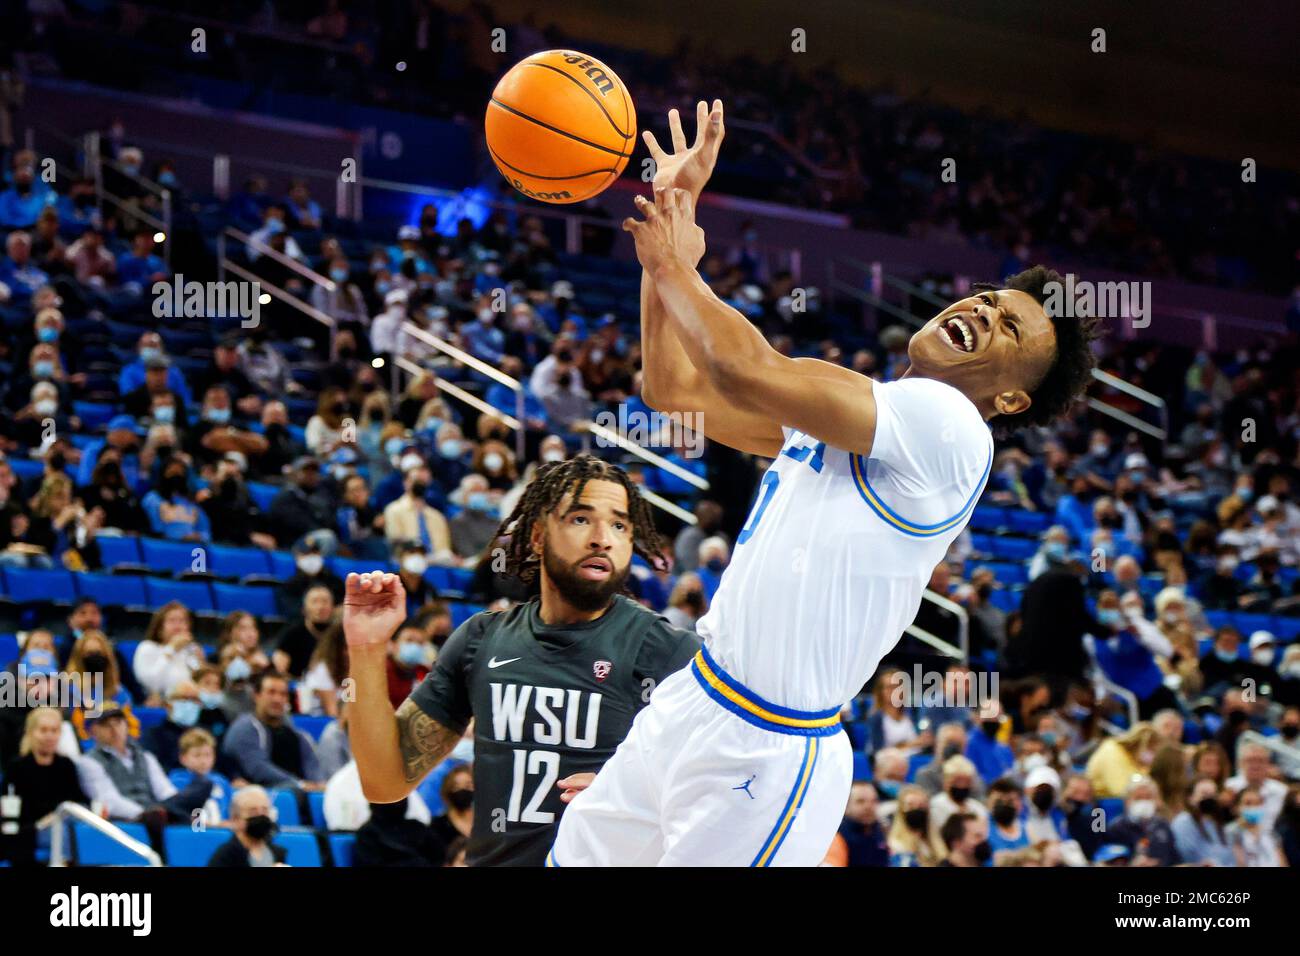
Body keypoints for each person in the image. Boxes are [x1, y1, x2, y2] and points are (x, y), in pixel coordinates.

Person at [552, 101, 1098, 866]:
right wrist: (663, 245)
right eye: (990, 299)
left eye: (1010, 329)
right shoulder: (856, 421)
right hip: (691, 700)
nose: (982, 310)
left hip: (770, 752)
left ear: (1011, 399)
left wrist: (680, 262)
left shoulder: (952, 431)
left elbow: (747, 366)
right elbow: (673, 390)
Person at [347, 455, 700, 866]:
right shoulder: (482, 640)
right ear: (536, 536)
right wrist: (367, 650)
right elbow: (384, 781)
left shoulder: (669, 651)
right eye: (581, 519)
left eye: (619, 524)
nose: (603, 538)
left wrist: (634, 794)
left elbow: (737, 787)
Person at [0, 707, 88, 866]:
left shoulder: (66, 765)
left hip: (64, 823)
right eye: (43, 730)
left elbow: (79, 800)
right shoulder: (16, 768)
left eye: (54, 731)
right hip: (30, 830)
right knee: (60, 831)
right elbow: (10, 815)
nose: (49, 736)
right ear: (31, 732)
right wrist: (46, 821)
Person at [220, 671, 325, 792]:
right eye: (271, 692)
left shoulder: (294, 733)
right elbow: (258, 769)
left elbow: (311, 764)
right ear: (256, 695)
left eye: (283, 694)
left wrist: (318, 784)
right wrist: (299, 784)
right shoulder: (244, 728)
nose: (277, 699)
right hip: (262, 797)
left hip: (301, 794)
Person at [206, 786, 288, 867]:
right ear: (235, 819)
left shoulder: (277, 853)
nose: (260, 816)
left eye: (265, 810)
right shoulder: (225, 856)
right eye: (253, 812)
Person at [1170, 776, 1235, 866]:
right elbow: (1189, 854)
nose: (1209, 799)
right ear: (1190, 798)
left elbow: (1230, 857)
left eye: (1213, 795)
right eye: (1204, 795)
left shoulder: (1218, 824)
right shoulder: (1184, 821)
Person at [822, 780, 889, 867]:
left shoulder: (884, 833)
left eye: (874, 801)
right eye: (860, 801)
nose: (868, 807)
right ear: (845, 806)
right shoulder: (834, 838)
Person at [1226, 787, 1285, 866]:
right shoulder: (1230, 832)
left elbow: (1283, 862)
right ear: (1236, 807)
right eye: (1248, 803)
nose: (1253, 807)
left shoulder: (1270, 832)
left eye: (1258, 803)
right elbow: (1240, 863)